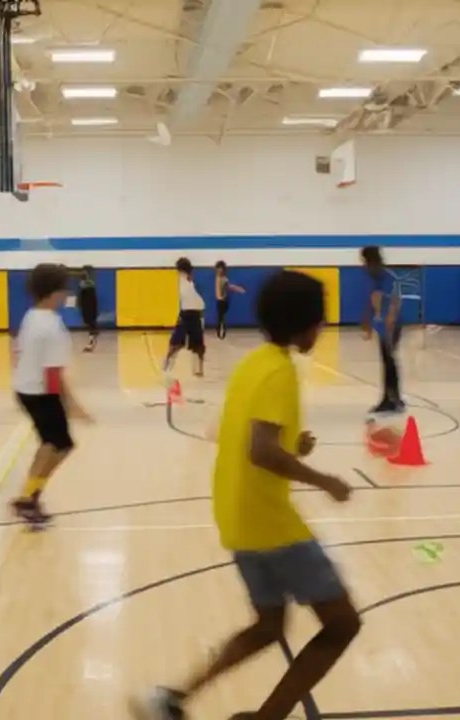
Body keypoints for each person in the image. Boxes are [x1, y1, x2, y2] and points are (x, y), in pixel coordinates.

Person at [131, 271, 359, 720]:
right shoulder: (281, 372)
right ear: (307, 324)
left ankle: (173, 697)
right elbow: (261, 451)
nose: (324, 328)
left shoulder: (253, 364)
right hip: (272, 524)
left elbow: (248, 436)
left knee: (268, 626)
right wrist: (325, 480)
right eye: (322, 320)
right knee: (343, 625)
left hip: (236, 518)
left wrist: (293, 445)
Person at [10, 264, 92, 528]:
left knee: (54, 443)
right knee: (58, 444)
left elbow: (19, 352)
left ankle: (30, 495)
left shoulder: (31, 316)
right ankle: (27, 497)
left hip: (25, 389)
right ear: (54, 292)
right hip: (41, 392)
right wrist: (71, 405)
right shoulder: (52, 326)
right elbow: (52, 374)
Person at [361, 246, 404, 414]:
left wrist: (389, 323)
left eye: (365, 262)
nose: (363, 266)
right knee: (388, 361)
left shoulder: (387, 277)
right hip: (382, 325)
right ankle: (393, 397)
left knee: (390, 361)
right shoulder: (376, 277)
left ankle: (392, 399)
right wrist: (367, 321)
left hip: (391, 326)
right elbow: (373, 300)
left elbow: (395, 301)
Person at [164, 257, 207, 378]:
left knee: (198, 345)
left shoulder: (192, 282)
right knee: (176, 342)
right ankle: (167, 363)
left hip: (196, 314)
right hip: (185, 313)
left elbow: (197, 299)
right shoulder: (181, 280)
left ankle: (199, 368)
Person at [214, 261, 245, 339]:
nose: (219, 271)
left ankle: (222, 333)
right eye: (218, 270)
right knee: (220, 317)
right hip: (220, 300)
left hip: (223, 300)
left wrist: (238, 289)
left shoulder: (224, 279)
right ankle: (220, 332)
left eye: (221, 269)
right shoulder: (218, 277)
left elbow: (230, 287)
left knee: (222, 317)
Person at [78, 265, 100, 352]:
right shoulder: (85, 284)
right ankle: (91, 340)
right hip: (87, 305)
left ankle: (91, 342)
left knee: (91, 322)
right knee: (89, 322)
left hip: (89, 305)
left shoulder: (89, 285)